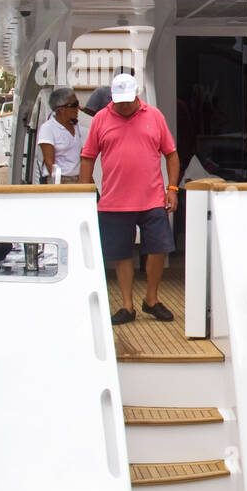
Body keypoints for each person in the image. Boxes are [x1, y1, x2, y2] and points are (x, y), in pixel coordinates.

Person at [79, 73, 179, 324]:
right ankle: (127, 306)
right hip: (114, 201)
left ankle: (151, 300)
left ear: (137, 95)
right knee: (121, 254)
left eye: (127, 100)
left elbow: (171, 154)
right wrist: (84, 190)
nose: (123, 105)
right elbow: (88, 157)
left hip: (153, 198)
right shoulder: (101, 118)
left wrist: (172, 188)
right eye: (119, 101)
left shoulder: (154, 116)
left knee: (158, 249)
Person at [37, 87, 83, 182]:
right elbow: (50, 164)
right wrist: (59, 187)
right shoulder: (48, 128)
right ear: (62, 109)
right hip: (60, 180)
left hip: (78, 179)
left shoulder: (75, 126)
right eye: (74, 105)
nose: (78, 108)